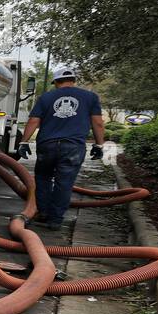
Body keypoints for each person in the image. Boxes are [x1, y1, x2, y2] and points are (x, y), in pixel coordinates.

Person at [17, 66, 104, 228]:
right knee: (64, 183)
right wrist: (99, 145)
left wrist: (24, 142)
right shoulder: (90, 97)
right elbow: (97, 123)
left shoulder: (46, 97)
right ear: (73, 80)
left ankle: (43, 213)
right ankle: (55, 220)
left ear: (56, 82)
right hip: (73, 147)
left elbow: (34, 121)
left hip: (47, 145)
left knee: (43, 178)